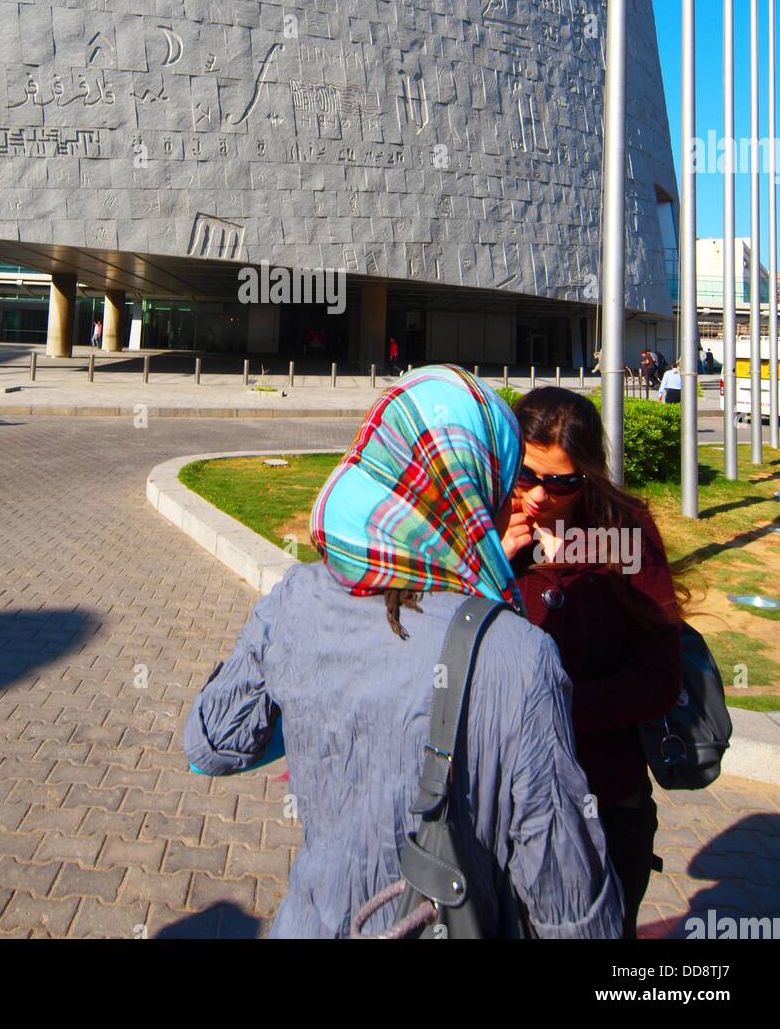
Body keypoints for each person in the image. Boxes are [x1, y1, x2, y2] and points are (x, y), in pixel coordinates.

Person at [184, 366, 622, 939]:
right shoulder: (520, 655)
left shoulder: (296, 598)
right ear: (482, 484)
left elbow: (211, 746)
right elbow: (570, 908)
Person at [500, 387, 683, 939]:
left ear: (590, 475)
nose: (538, 497)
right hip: (503, 803)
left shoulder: (624, 531)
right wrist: (494, 564)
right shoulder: (483, 521)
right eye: (526, 475)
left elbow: (659, 679)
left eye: (561, 482)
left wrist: (556, 709)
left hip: (602, 804)